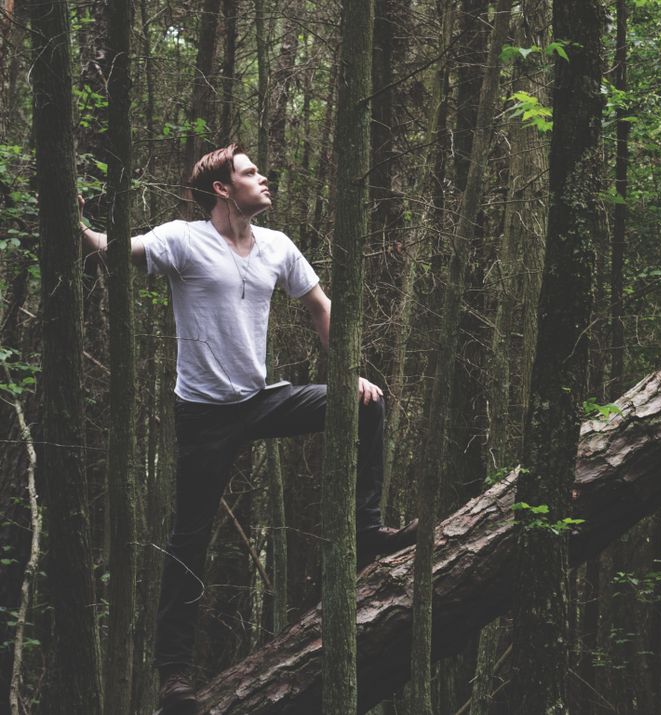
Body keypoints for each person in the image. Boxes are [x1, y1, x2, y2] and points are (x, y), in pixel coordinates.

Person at [80, 144, 416, 713]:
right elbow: (113, 252)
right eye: (250, 172)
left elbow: (319, 306)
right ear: (221, 188)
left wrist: (349, 372)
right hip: (204, 417)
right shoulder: (184, 240)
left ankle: (367, 530)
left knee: (365, 404)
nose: (264, 178)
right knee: (190, 540)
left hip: (261, 400)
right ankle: (174, 677)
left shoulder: (277, 247)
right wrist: (78, 222)